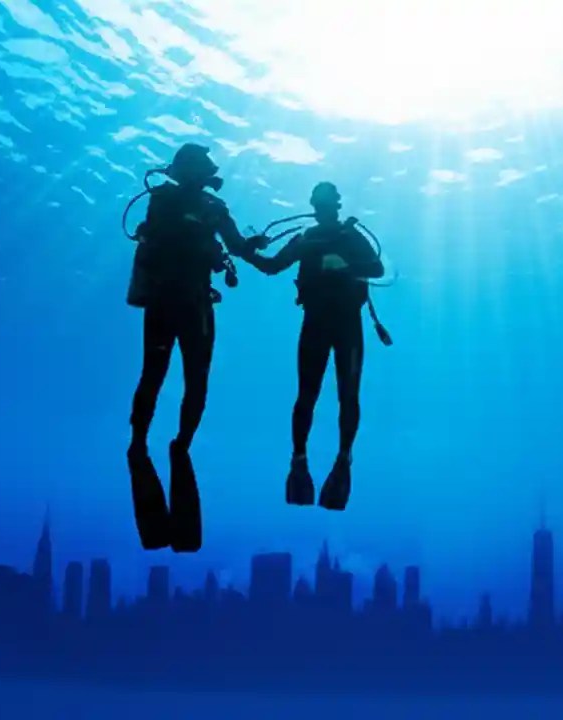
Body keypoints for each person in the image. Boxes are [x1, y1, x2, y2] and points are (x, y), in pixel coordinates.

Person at [127, 143, 249, 552]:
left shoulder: (210, 206)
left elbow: (237, 244)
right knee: (160, 375)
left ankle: (172, 442)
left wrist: (249, 246)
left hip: (190, 302)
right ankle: (146, 441)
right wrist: (217, 244)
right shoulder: (165, 201)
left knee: (190, 379)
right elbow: (166, 236)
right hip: (172, 302)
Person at [237, 182, 384, 511]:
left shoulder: (349, 237)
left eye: (326, 203)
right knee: (312, 394)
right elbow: (272, 265)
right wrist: (245, 250)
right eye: (319, 203)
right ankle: (303, 458)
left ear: (335, 206)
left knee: (342, 394)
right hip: (322, 323)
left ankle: (340, 457)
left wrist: (347, 268)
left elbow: (379, 269)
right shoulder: (306, 239)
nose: (322, 209)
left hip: (343, 323)